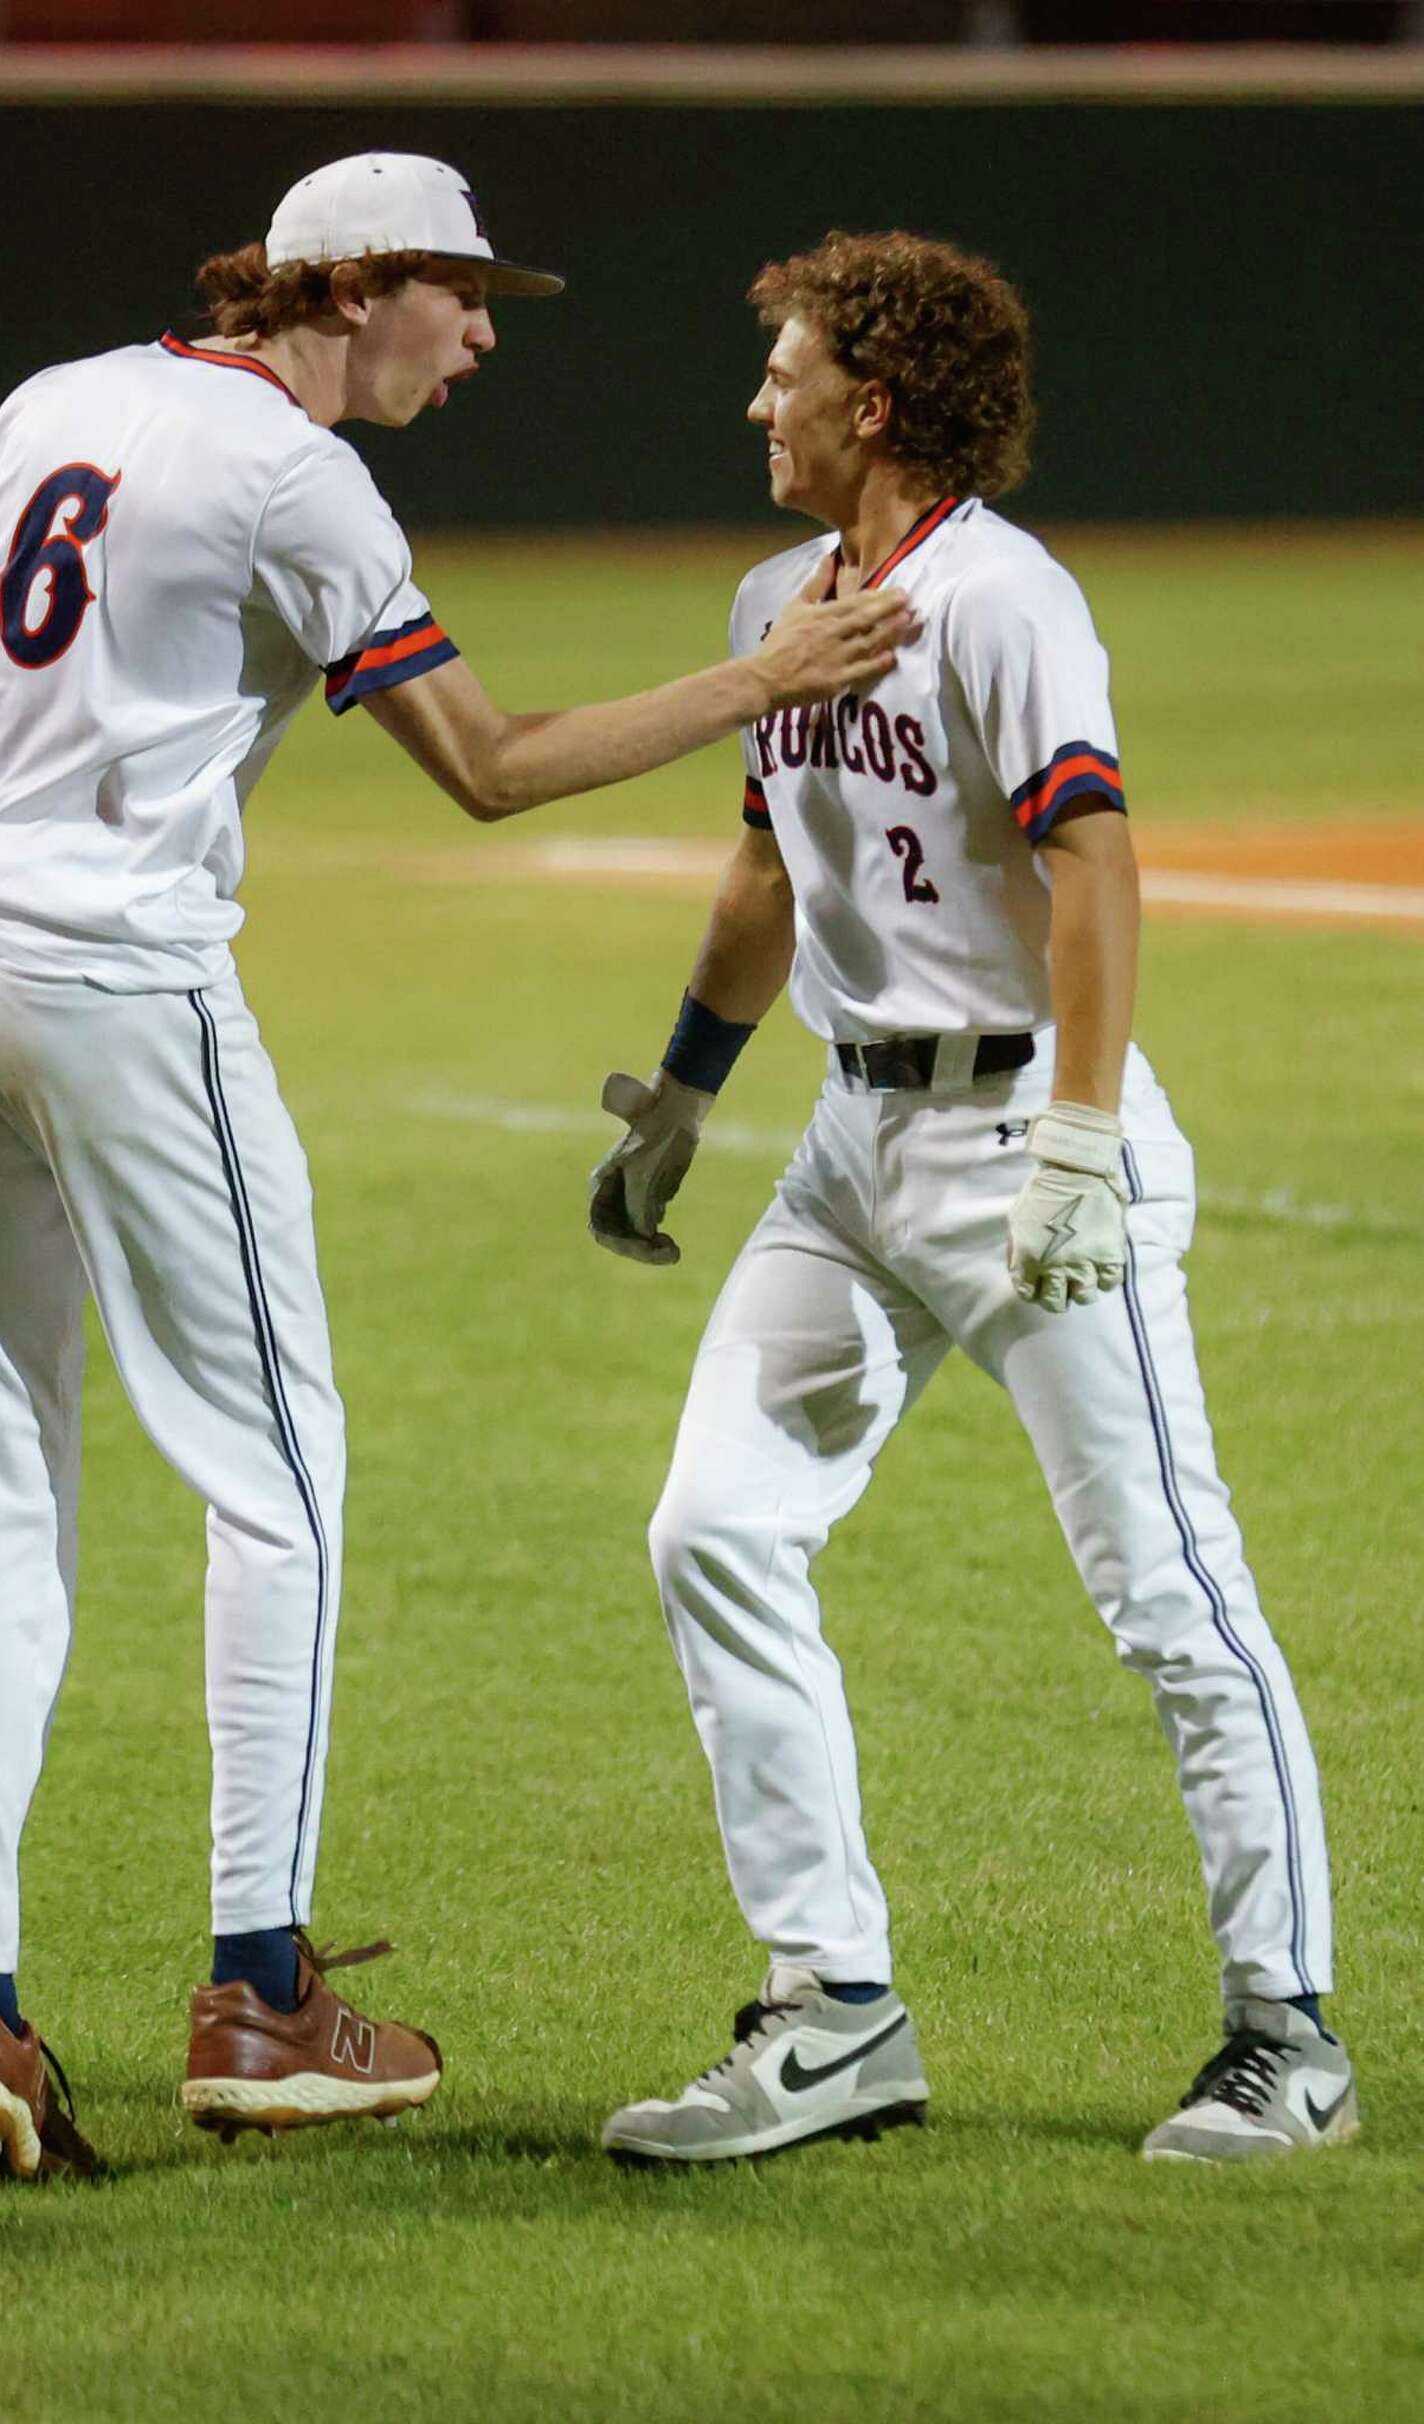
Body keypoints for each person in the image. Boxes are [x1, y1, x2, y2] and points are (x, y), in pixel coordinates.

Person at [0, 155, 917, 2180]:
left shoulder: (51, 399)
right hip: (115, 987)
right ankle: (262, 1990)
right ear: (356, 288)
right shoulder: (298, 478)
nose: (488, 331)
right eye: (464, 294)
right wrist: (762, 678)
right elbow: (491, 766)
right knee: (279, 1469)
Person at [590, 230, 1355, 2168]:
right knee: (714, 1532)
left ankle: (1290, 2033)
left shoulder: (1005, 599)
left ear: (877, 402)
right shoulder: (785, 596)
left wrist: (1086, 1144)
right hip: (852, 1155)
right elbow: (770, 875)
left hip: (1030, 1138)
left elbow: (1092, 866)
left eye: (785, 369)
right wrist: (684, 1088)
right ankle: (834, 2007)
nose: (755, 400)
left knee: (1171, 1593)